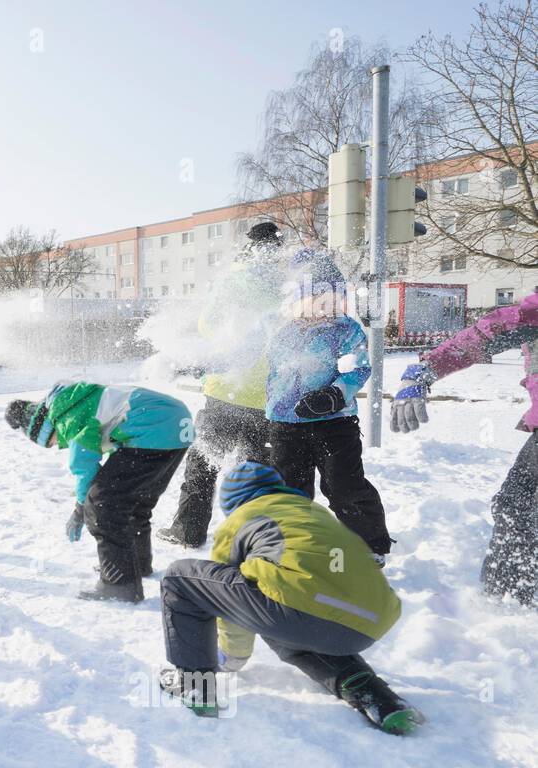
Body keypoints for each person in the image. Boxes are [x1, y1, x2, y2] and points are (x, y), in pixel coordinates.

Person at [159, 461, 420, 734]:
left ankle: (196, 688)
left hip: (302, 607)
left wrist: (233, 657)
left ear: (232, 502)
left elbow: (225, 600)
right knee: (289, 625)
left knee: (179, 578)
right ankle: (376, 696)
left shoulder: (241, 518)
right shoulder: (312, 511)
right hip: (372, 618)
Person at [391, 287, 538, 605]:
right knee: (518, 507)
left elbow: (484, 335)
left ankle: (510, 601)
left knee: (516, 508)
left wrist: (422, 371)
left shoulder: (532, 314)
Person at [6, 381, 193, 603]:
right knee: (135, 502)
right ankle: (136, 565)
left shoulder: (66, 414)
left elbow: (84, 466)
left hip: (153, 427)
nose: (57, 445)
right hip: (175, 426)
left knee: (102, 505)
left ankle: (120, 585)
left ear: (45, 428)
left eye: (51, 442)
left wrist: (81, 508)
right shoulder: (75, 400)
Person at [159, 221, 285, 548]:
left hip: (225, 392)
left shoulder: (234, 280)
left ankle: (188, 530)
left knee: (203, 464)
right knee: (258, 472)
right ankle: (256, 539)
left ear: (249, 247)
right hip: (268, 399)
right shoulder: (288, 285)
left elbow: (208, 325)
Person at [265, 248, 393, 560]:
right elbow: (245, 355)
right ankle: (294, 547)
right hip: (285, 424)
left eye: (334, 299)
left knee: (344, 488)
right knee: (290, 492)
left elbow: (359, 368)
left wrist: (334, 395)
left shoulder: (346, 329)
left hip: (335, 425)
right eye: (318, 300)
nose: (327, 308)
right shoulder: (277, 327)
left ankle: (369, 546)